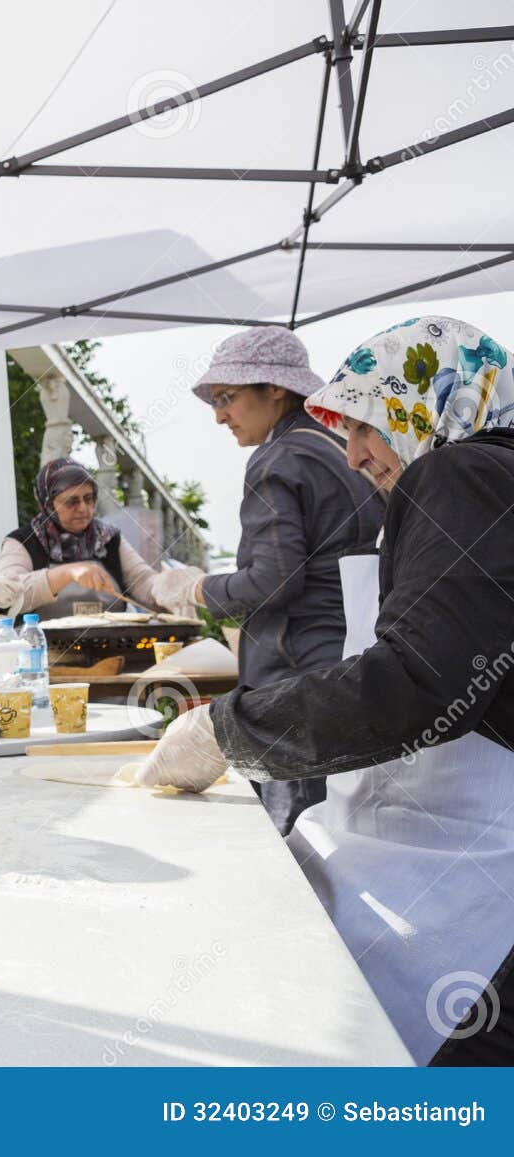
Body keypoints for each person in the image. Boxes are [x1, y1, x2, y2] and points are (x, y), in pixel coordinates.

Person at [133, 316, 514, 1065]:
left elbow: (417, 680)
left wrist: (228, 730)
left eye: (368, 423)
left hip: (479, 889)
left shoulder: (462, 473)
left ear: (430, 402)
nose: (355, 453)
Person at [146, 326, 386, 834]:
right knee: (344, 830)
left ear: (275, 389)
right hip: (357, 664)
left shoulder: (277, 458)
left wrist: (195, 589)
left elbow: (274, 582)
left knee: (296, 838)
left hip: (293, 675)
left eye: (227, 398)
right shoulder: (346, 451)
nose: (219, 416)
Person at [0, 457, 168, 621]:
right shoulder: (22, 542)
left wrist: (179, 588)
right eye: (71, 502)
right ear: (48, 505)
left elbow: (143, 581)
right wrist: (66, 573)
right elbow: (6, 596)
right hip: (41, 653)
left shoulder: (110, 538)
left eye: (89, 499)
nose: (83, 508)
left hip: (114, 649)